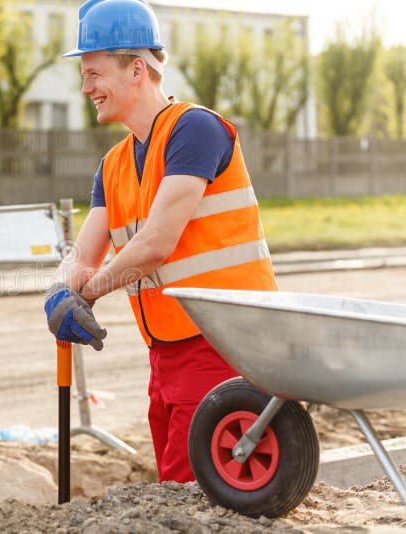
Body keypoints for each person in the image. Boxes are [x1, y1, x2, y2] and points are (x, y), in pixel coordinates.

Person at [44, 0, 277, 483]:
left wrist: (85, 295)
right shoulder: (113, 165)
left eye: (93, 73)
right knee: (179, 488)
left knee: (196, 492)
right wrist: (59, 291)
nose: (86, 88)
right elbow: (84, 254)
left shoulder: (194, 130)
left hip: (224, 344)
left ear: (136, 69)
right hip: (167, 354)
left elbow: (156, 242)